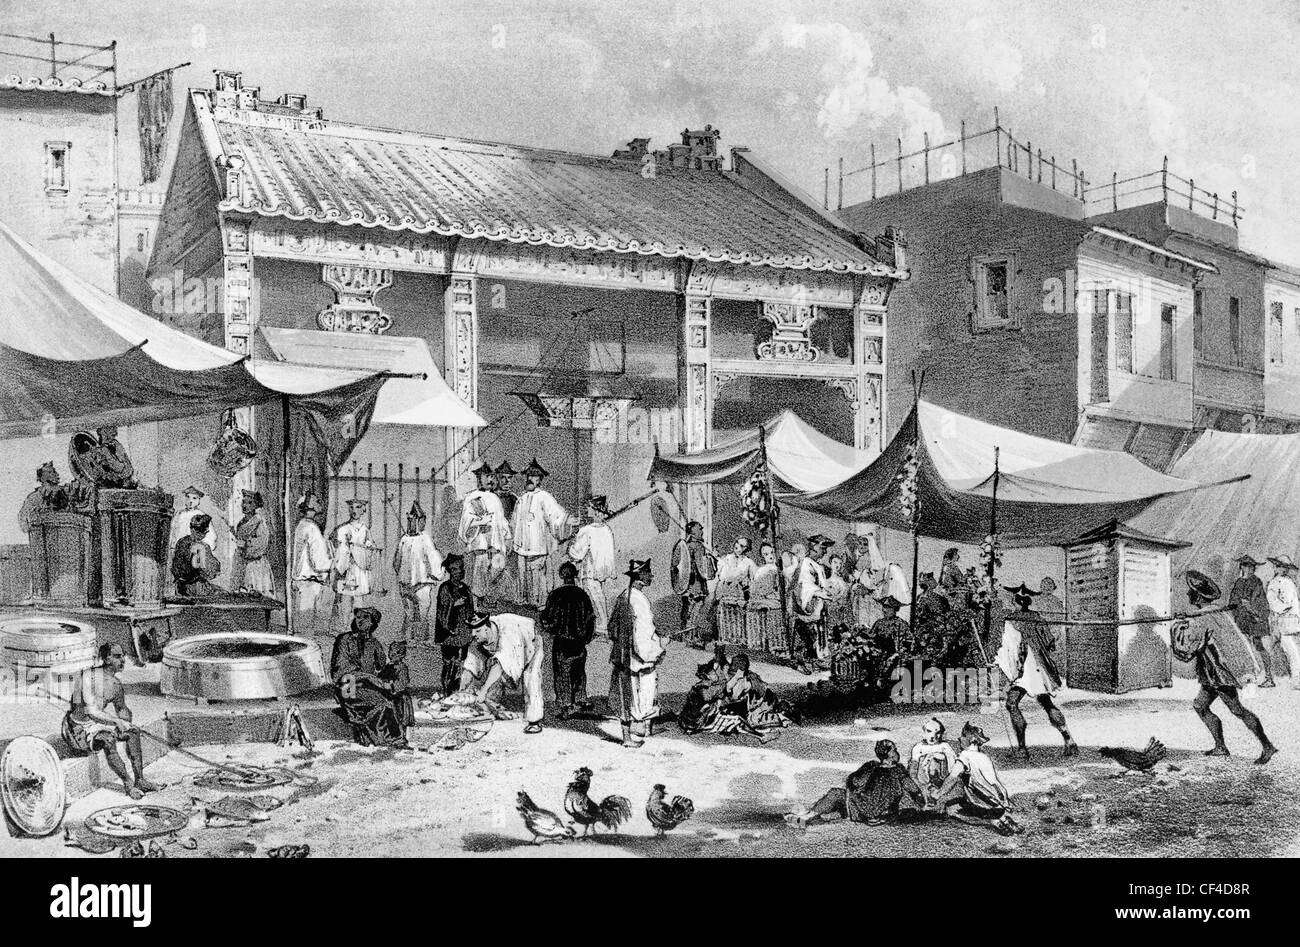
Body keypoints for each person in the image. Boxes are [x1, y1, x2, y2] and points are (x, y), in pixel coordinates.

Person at [1173, 570, 1277, 764]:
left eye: (1191, 592)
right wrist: (1189, 619)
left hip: (1220, 674)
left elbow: (1187, 650)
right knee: (1200, 706)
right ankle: (1221, 746)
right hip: (1210, 674)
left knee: (1237, 710)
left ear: (1198, 596)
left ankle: (1267, 746)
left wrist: (1180, 625)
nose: (1188, 594)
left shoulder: (1203, 618)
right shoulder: (1214, 612)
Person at [62, 644, 165, 799]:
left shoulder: (116, 685)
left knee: (133, 733)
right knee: (108, 739)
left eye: (122, 656)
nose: (123, 660)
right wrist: (116, 722)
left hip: (97, 724)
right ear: (106, 658)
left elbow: (122, 709)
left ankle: (140, 780)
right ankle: (128, 785)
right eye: (117, 656)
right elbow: (92, 711)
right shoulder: (87, 677)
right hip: (77, 729)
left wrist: (126, 723)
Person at [996, 583, 1078, 760]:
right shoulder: (1037, 617)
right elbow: (1050, 642)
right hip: (1040, 668)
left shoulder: (1010, 620)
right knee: (1047, 704)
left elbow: (1011, 648)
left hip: (1024, 668)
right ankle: (1069, 740)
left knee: (1011, 704)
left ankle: (1022, 749)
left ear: (1015, 601)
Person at [785, 739, 928, 828]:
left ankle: (805, 817)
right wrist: (923, 804)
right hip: (880, 812)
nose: (897, 752)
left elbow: (853, 782)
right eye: (894, 750)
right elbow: (914, 790)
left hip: (864, 809)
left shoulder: (872, 766)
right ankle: (811, 817)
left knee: (835, 794)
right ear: (889, 754)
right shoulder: (899, 771)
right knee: (838, 807)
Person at [608, 559, 667, 748]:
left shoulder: (623, 596)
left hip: (624, 656)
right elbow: (642, 635)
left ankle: (639, 731)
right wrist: (659, 646)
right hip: (637, 658)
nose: (651, 576)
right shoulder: (639, 601)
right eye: (648, 573)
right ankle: (633, 734)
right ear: (641, 576)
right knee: (640, 693)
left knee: (627, 695)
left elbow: (612, 629)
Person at [330, 606, 407, 748]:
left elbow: (382, 667)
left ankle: (387, 740)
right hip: (348, 685)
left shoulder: (375, 643)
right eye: (358, 617)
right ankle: (387, 740)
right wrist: (367, 677)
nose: (360, 621)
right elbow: (340, 670)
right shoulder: (344, 639)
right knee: (380, 703)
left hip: (367, 686)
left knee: (388, 701)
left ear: (373, 623)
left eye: (365, 618)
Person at [460, 611, 546, 734]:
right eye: (472, 631)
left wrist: (483, 692)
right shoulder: (477, 639)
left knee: (531, 679)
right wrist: (460, 692)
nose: (473, 634)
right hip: (509, 648)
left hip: (530, 644)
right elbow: (470, 667)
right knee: (492, 679)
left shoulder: (508, 634)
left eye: (477, 631)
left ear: (488, 627)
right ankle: (495, 711)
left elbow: (499, 667)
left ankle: (534, 721)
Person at [928, 722, 1021, 835]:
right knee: (967, 799)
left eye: (963, 736)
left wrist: (938, 794)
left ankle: (991, 822)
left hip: (985, 805)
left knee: (951, 809)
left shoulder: (965, 756)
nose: (960, 739)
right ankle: (1004, 818)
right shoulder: (984, 757)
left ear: (971, 739)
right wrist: (1005, 803)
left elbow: (952, 778)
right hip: (1000, 803)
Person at [510, 458, 574, 609]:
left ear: (539, 480)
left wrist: (567, 520)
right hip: (521, 545)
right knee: (522, 573)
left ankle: (541, 602)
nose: (530, 479)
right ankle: (523, 599)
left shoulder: (545, 497)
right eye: (529, 476)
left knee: (539, 574)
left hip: (537, 544)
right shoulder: (521, 498)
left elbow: (556, 515)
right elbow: (515, 521)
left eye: (534, 476)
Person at [540, 560, 596, 718]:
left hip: (562, 642)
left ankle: (566, 705)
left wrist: (549, 628)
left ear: (561, 576)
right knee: (578, 671)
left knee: (562, 673)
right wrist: (586, 638)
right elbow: (590, 618)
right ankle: (579, 700)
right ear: (576, 575)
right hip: (579, 642)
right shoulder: (582, 595)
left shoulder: (555, 594)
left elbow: (548, 620)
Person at [393, 500, 445, 641]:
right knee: (409, 613)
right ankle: (409, 639)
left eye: (418, 520)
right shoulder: (404, 539)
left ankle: (423, 640)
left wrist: (435, 575)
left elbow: (434, 559)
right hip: (406, 584)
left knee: (422, 613)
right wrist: (403, 577)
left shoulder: (425, 539)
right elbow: (396, 562)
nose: (414, 523)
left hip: (421, 584)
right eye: (411, 520)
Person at [567, 495, 617, 639]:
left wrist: (571, 546)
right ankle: (599, 626)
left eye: (589, 506)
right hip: (601, 572)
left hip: (589, 571)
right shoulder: (607, 530)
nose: (587, 508)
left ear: (595, 511)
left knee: (591, 599)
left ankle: (599, 627)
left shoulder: (586, 530)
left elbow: (577, 553)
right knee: (598, 597)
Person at [459, 462, 511, 601]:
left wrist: (507, 536)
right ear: (479, 479)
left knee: (498, 567)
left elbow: (501, 520)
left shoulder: (494, 498)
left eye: (491, 476)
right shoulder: (472, 498)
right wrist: (480, 521)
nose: (490, 480)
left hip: (496, 544)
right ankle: (479, 600)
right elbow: (465, 522)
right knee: (480, 573)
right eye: (486, 476)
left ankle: (488, 596)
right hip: (481, 544)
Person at [433, 554, 477, 695]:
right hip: (450, 635)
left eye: (461, 569)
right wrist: (454, 605)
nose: (460, 572)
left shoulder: (465, 588)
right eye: (456, 569)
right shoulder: (445, 588)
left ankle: (458, 693)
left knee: (461, 664)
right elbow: (441, 612)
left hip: (463, 635)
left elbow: (470, 609)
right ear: (450, 571)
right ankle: (447, 692)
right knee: (449, 664)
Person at [792, 534, 835, 674]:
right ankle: (802, 661)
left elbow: (821, 584)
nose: (825, 552)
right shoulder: (806, 563)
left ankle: (818, 659)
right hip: (807, 604)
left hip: (818, 603)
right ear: (814, 547)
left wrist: (826, 591)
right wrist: (819, 592)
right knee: (807, 634)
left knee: (820, 632)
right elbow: (805, 585)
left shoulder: (818, 565)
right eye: (823, 548)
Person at [671, 520, 718, 646]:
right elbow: (702, 568)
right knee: (696, 608)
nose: (702, 531)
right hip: (695, 584)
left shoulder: (686, 545)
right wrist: (713, 559)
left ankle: (685, 636)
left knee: (687, 609)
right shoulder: (698, 546)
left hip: (686, 585)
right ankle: (691, 638)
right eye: (700, 529)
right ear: (693, 531)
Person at [291, 493, 332, 636]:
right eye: (317, 501)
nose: (320, 503)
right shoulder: (312, 528)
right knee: (307, 624)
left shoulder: (302, 525)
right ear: (311, 506)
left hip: (303, 580)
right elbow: (318, 560)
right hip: (310, 581)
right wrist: (332, 563)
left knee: (304, 622)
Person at [1230, 554, 1274, 687]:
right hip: (1242, 619)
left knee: (1258, 646)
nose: (1249, 569)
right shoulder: (1238, 582)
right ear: (1241, 567)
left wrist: (1251, 607)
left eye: (1251, 567)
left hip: (1255, 620)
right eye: (1246, 566)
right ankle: (1247, 677)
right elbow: (1232, 601)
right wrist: (1237, 607)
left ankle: (1268, 677)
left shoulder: (1256, 582)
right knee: (1243, 647)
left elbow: (1261, 603)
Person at [332, 498, 377, 624]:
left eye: (358, 507)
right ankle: (343, 626)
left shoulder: (365, 530)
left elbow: (370, 550)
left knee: (358, 601)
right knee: (344, 600)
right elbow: (338, 550)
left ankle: (357, 627)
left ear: (363, 510)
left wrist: (364, 550)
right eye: (351, 507)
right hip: (346, 570)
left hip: (359, 570)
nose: (354, 511)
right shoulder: (343, 529)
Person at [232, 489, 274, 596]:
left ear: (256, 505)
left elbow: (262, 543)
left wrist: (246, 544)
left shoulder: (259, 522)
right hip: (242, 563)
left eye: (250, 503)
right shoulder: (241, 523)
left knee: (256, 593)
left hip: (256, 564)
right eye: (244, 502)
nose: (245, 505)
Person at [1266, 555, 1300, 689]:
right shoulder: (1274, 583)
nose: (1283, 569)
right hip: (1284, 622)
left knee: (1295, 650)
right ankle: (1296, 679)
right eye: (1280, 566)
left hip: (1294, 620)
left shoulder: (1290, 582)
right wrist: (1284, 608)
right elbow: (1272, 601)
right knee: (1292, 651)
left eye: (1285, 567)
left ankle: (1296, 678)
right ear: (1276, 567)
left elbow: (1294, 601)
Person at [714, 536, 756, 644]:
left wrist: (747, 587)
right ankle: (724, 638)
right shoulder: (726, 559)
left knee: (738, 616)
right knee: (724, 616)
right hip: (726, 591)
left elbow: (753, 579)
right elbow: (719, 574)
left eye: (742, 546)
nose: (737, 546)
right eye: (737, 543)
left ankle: (738, 639)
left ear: (746, 549)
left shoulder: (749, 563)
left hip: (739, 593)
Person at [170, 513, 221, 597]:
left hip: (180, 587)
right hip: (195, 587)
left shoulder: (181, 542)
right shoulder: (200, 547)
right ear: (205, 531)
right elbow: (205, 571)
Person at [748, 541, 784, 652]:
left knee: (775, 608)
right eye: (766, 554)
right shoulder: (761, 570)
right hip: (763, 598)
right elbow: (756, 589)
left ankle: (776, 644)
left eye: (772, 552)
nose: (770, 556)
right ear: (762, 556)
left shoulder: (779, 570)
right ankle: (759, 643)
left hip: (775, 598)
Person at [909, 717, 959, 794]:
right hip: (923, 781)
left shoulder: (945, 746)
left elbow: (953, 767)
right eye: (929, 731)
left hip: (941, 779)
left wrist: (940, 757)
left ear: (942, 734)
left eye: (937, 733)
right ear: (924, 733)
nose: (933, 736)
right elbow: (913, 769)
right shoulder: (918, 748)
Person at [18, 462, 67, 534]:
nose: (57, 474)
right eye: (52, 472)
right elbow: (23, 517)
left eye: (54, 471)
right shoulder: (34, 497)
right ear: (44, 477)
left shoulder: (65, 493)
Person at [383, 640, 415, 735]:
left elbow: (403, 683)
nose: (392, 655)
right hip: (390, 697)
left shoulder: (402, 667)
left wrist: (391, 686)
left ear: (402, 655)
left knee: (400, 719)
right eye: (390, 651)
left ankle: (402, 737)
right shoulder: (388, 666)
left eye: (396, 653)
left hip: (400, 699)